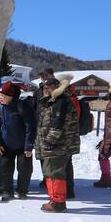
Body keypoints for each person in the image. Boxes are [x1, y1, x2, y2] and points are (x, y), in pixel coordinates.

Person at [34, 72, 78, 213]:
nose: (45, 90)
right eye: (44, 87)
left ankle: (58, 202)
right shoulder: (53, 100)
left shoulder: (60, 101)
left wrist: (49, 141)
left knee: (55, 173)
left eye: (48, 87)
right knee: (51, 172)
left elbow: (57, 124)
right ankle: (54, 199)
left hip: (57, 146)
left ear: (56, 87)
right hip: (54, 145)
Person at [0, 80, 36, 201]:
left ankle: (22, 191)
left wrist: (28, 146)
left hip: (22, 145)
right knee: (5, 168)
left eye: (3, 96)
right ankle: (7, 191)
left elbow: (30, 127)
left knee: (24, 169)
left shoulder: (22, 106)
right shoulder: (0, 107)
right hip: (6, 144)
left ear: (10, 96)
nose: (0, 98)